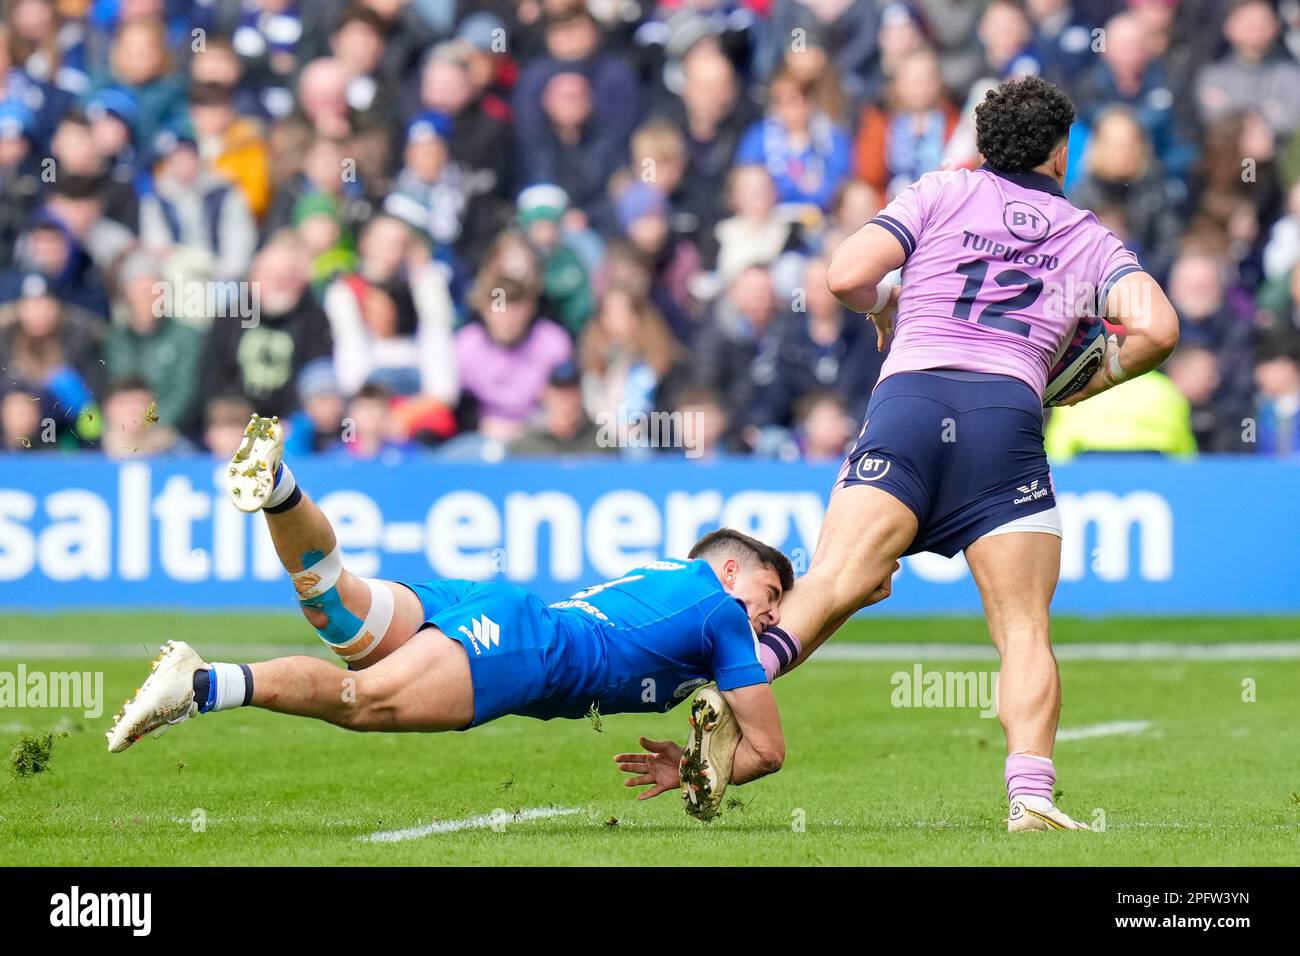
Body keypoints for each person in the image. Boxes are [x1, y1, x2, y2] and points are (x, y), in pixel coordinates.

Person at [767, 76, 1180, 832]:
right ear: (1061, 154)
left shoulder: (939, 192)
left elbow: (843, 276)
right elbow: (1157, 327)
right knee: (1022, 629)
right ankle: (1031, 797)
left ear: (982, 146)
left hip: (912, 402)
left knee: (834, 579)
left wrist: (887, 308)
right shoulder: (1084, 234)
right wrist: (1086, 380)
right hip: (1005, 416)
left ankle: (738, 685)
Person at [107, 415, 799, 820]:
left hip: (499, 609)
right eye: (772, 595)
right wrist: (695, 774)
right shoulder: (721, 613)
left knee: (335, 605)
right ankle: (201, 686)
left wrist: (696, 764)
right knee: (361, 700)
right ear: (732, 570)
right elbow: (767, 752)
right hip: (529, 650)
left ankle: (279, 485)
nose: (771, 618)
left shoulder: (672, 576)